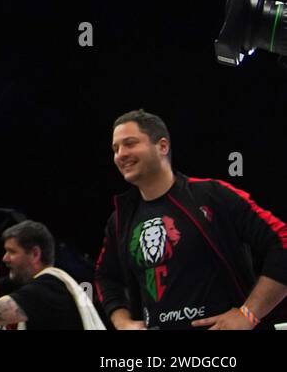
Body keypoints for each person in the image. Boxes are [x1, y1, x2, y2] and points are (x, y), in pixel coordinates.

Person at [94, 110, 287, 330]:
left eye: (130, 143)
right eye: (115, 148)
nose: (120, 154)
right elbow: (105, 277)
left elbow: (283, 241)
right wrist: (123, 323)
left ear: (162, 146)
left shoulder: (211, 195)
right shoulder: (120, 219)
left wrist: (249, 314)